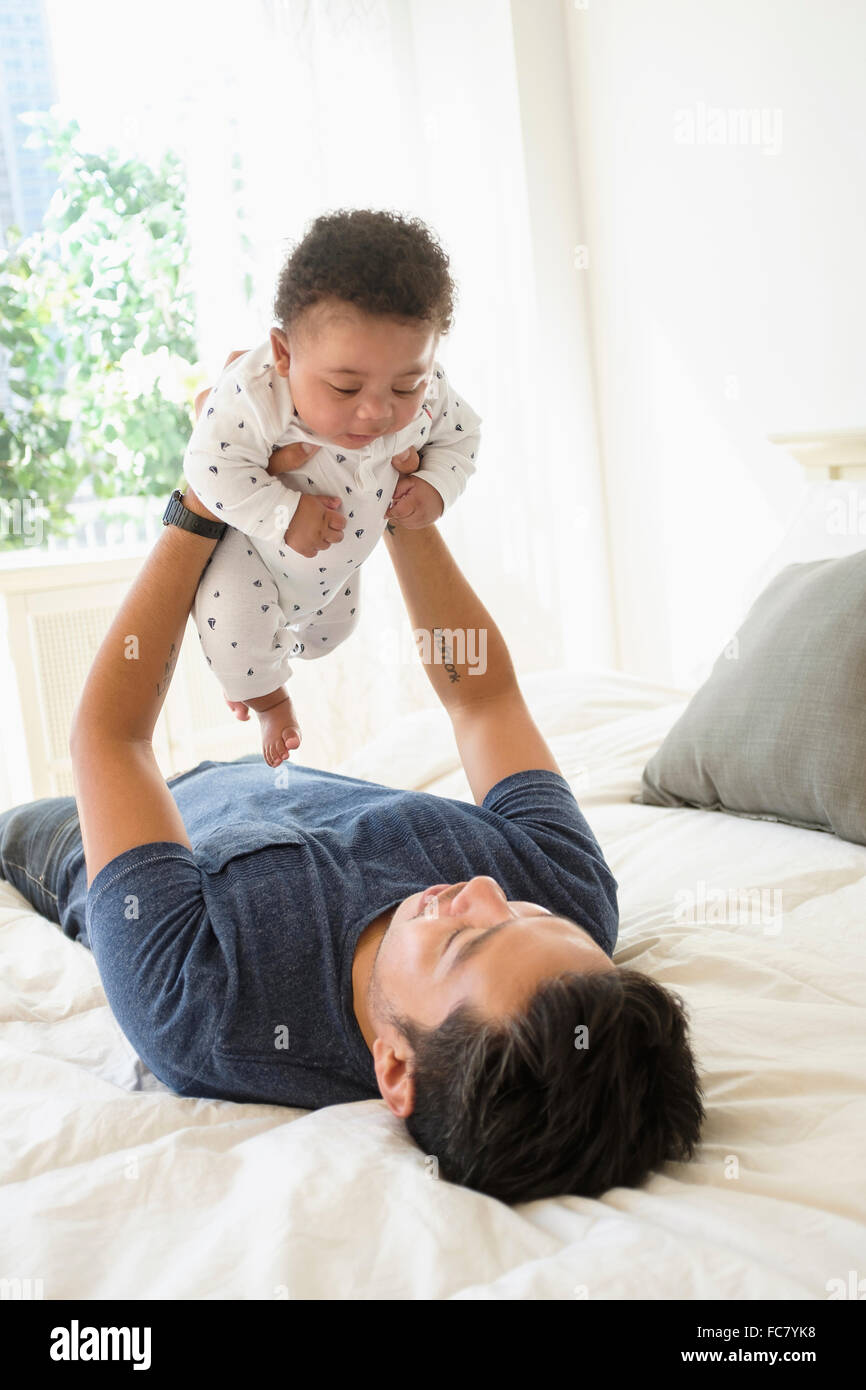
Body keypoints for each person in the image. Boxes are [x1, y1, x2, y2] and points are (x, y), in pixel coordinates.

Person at [0, 375, 704, 1203]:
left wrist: (199, 502)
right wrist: (402, 503)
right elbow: (484, 699)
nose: (487, 891)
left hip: (131, 840)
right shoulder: (571, 903)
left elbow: (110, 743)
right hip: (281, 784)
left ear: (395, 1071)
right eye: (527, 914)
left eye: (464, 940)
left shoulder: (206, 1011)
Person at [183, 208, 481, 766]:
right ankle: (267, 699)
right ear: (284, 355)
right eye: (344, 387)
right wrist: (282, 512)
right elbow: (206, 466)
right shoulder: (255, 394)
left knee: (333, 635)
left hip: (337, 566)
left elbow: (463, 437)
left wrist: (437, 486)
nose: (376, 411)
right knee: (240, 639)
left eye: (406, 384)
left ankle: (271, 653)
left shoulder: (432, 392)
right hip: (252, 553)